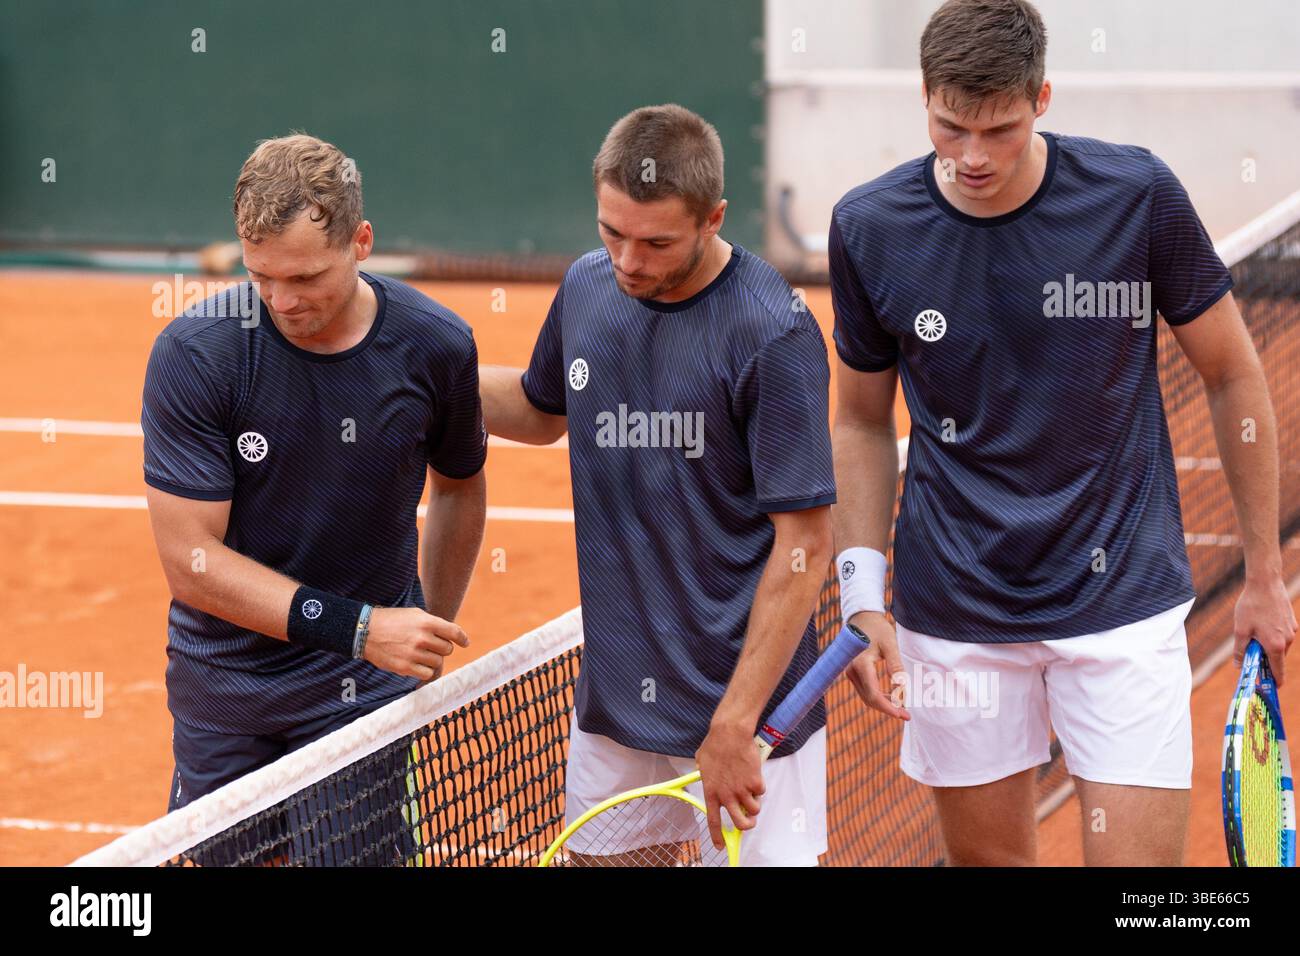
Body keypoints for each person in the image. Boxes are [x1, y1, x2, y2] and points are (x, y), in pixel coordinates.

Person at [830, 0, 1295, 866]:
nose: (971, 155)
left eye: (998, 129)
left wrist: (1264, 574)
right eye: (949, 127)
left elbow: (1233, 372)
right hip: (956, 609)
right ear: (924, 97)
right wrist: (861, 594)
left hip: (1122, 603)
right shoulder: (870, 227)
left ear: (1042, 98)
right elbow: (859, 419)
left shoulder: (1135, 197)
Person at [481, 104, 837, 865]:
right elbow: (544, 410)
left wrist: (736, 724)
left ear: (713, 218)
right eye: (612, 232)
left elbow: (805, 542)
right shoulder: (586, 287)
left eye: (656, 242)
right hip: (619, 702)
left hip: (746, 715)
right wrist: (423, 377)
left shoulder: (771, 331)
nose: (629, 261)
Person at [141, 133, 487, 863]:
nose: (282, 300)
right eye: (261, 276)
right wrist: (362, 627)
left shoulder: (436, 346)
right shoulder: (199, 353)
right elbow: (190, 561)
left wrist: (424, 632)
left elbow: (459, 486)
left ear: (362, 242)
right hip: (225, 683)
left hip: (356, 691)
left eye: (305, 277)